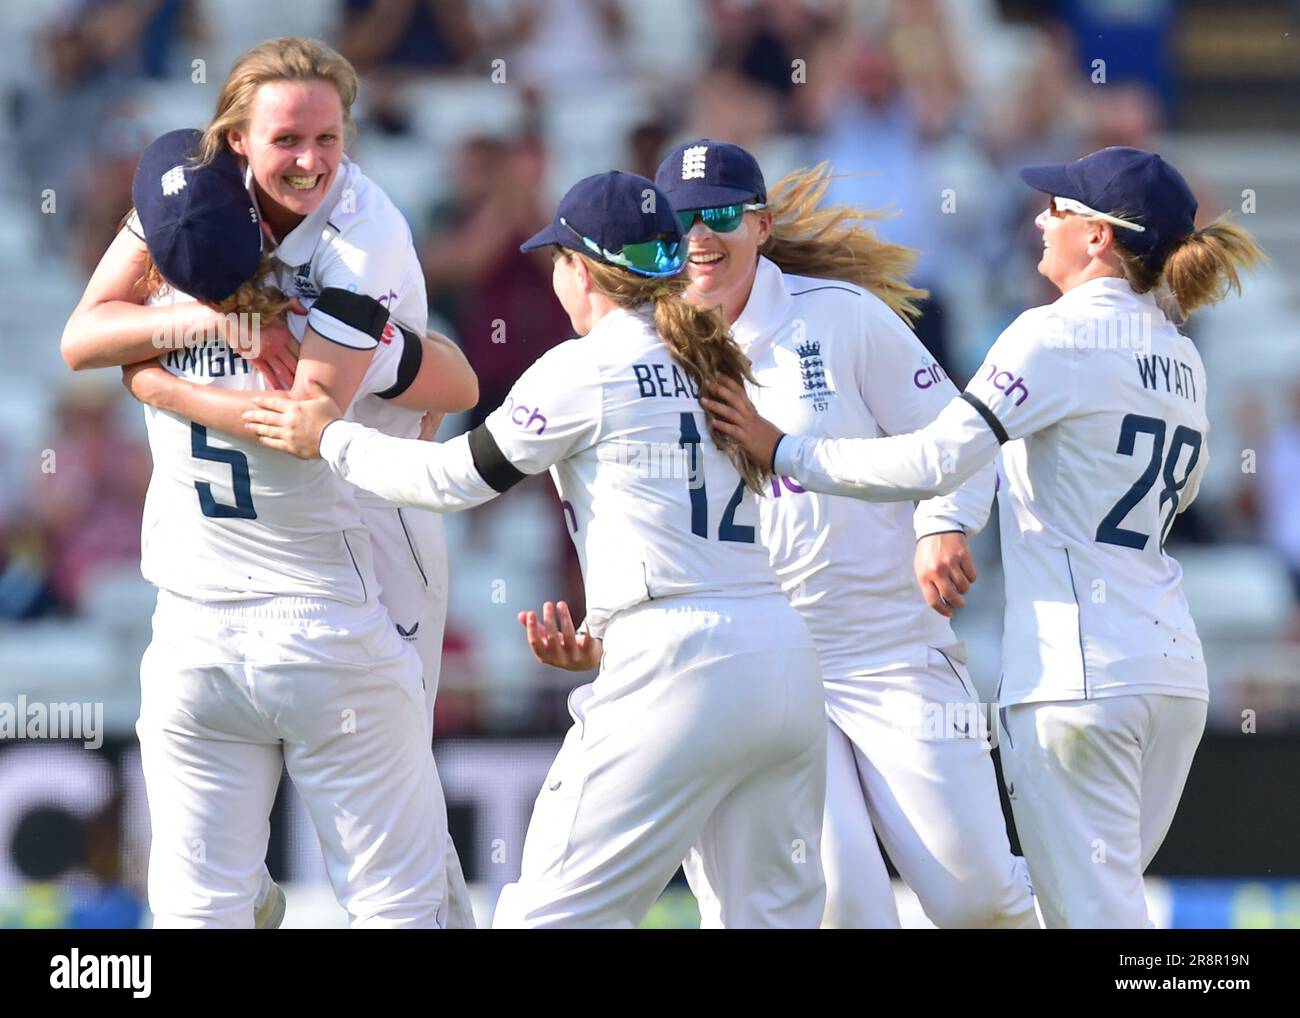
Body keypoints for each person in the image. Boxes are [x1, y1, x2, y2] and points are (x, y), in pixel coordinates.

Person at [242, 170, 829, 929]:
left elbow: (457, 479)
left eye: (557, 260)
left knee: (541, 922)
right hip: (780, 656)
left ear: (579, 269)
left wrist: (330, 438)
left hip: (676, 663)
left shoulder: (587, 366)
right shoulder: (717, 355)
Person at [702, 146, 1266, 928]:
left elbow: (939, 454)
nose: (1041, 219)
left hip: (1075, 677)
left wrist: (785, 449)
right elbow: (1185, 491)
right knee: (1099, 907)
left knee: (1087, 922)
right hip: (1170, 675)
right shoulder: (1182, 357)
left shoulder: (1050, 334)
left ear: (1099, 237)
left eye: (1060, 209)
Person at [62, 37, 477, 926]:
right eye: (288, 138)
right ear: (236, 140)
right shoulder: (187, 203)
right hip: (326, 603)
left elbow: (305, 413)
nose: (313, 160)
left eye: (329, 139)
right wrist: (221, 324)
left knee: (198, 911)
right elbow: (88, 340)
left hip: (212, 618)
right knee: (402, 905)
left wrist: (155, 372)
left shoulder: (363, 235)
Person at [641, 138, 1032, 928]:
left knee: (979, 898)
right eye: (680, 221)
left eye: (718, 216)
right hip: (761, 666)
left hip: (889, 647)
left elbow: (959, 440)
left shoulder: (843, 318)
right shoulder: (637, 350)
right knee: (842, 906)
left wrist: (943, 524)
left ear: (760, 223)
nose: (699, 239)